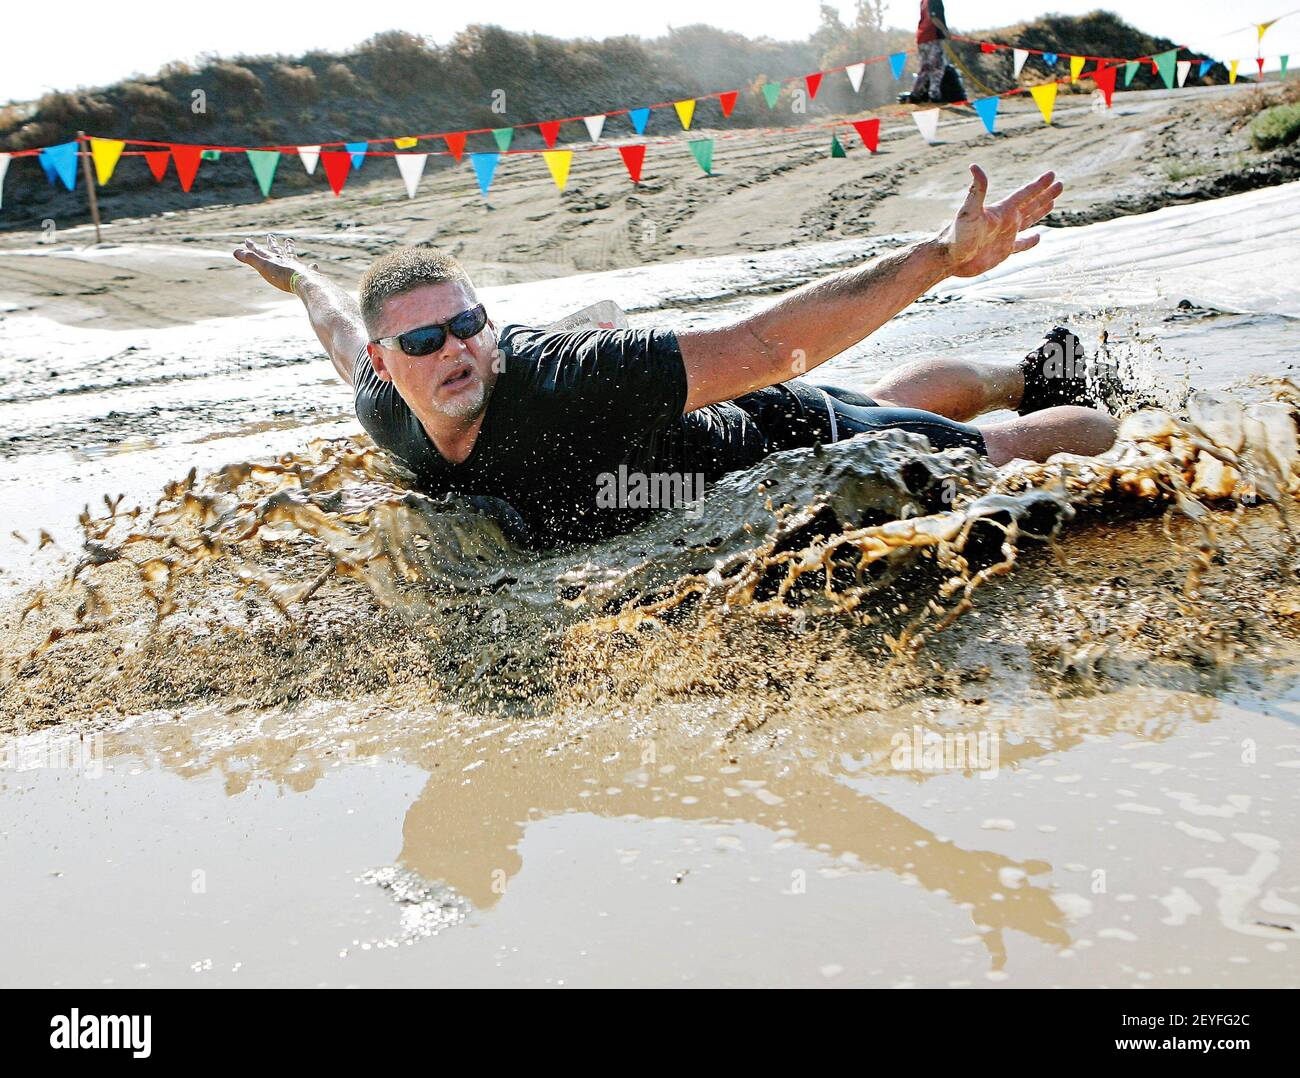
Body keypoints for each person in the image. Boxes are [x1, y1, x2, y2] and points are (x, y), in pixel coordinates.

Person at [233, 165, 1116, 547]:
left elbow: (767, 347)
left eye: (469, 325)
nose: (455, 350)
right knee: (882, 404)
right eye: (424, 341)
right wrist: (298, 275)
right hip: (679, 463)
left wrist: (938, 259)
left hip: (758, 441)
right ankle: (1016, 373)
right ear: (389, 366)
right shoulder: (383, 404)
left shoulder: (567, 374)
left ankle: (1088, 407)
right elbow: (335, 324)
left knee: (972, 454)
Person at [911, 0, 950, 103]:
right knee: (937, 67)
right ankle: (934, 95)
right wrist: (945, 31)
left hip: (921, 37)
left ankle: (915, 94)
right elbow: (934, 17)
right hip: (931, 36)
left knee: (924, 68)